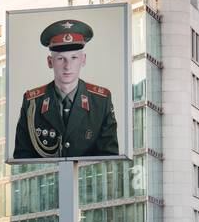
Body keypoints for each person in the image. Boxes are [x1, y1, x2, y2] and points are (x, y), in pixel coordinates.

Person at [13, 19, 119, 159]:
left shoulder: (100, 101)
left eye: (74, 57)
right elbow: (22, 157)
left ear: (83, 60)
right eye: (60, 59)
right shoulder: (32, 102)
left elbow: (109, 158)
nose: (67, 66)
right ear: (50, 62)